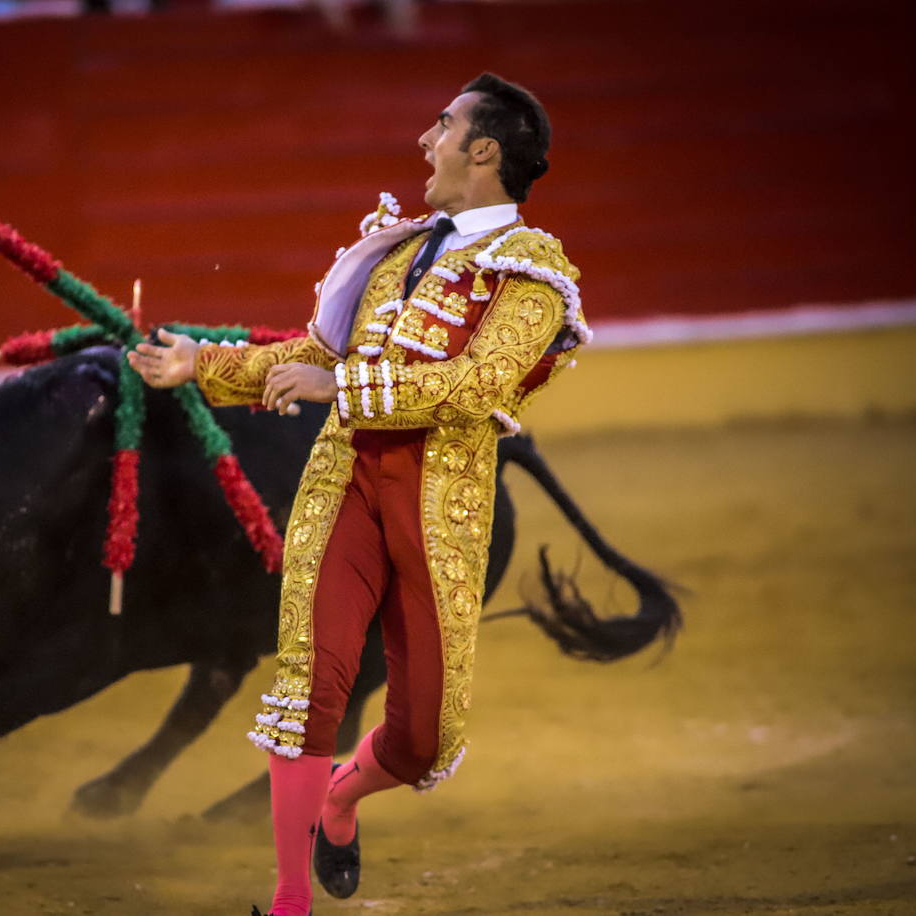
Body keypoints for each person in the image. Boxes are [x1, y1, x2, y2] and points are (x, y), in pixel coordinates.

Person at [128, 72, 591, 916]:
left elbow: (472, 387)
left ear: (483, 150)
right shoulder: (401, 246)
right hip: (345, 478)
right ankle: (289, 898)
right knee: (310, 685)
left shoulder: (532, 275)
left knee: (422, 740)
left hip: (437, 498)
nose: (426, 139)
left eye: (443, 125)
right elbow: (310, 353)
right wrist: (203, 364)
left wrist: (335, 385)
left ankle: (340, 800)